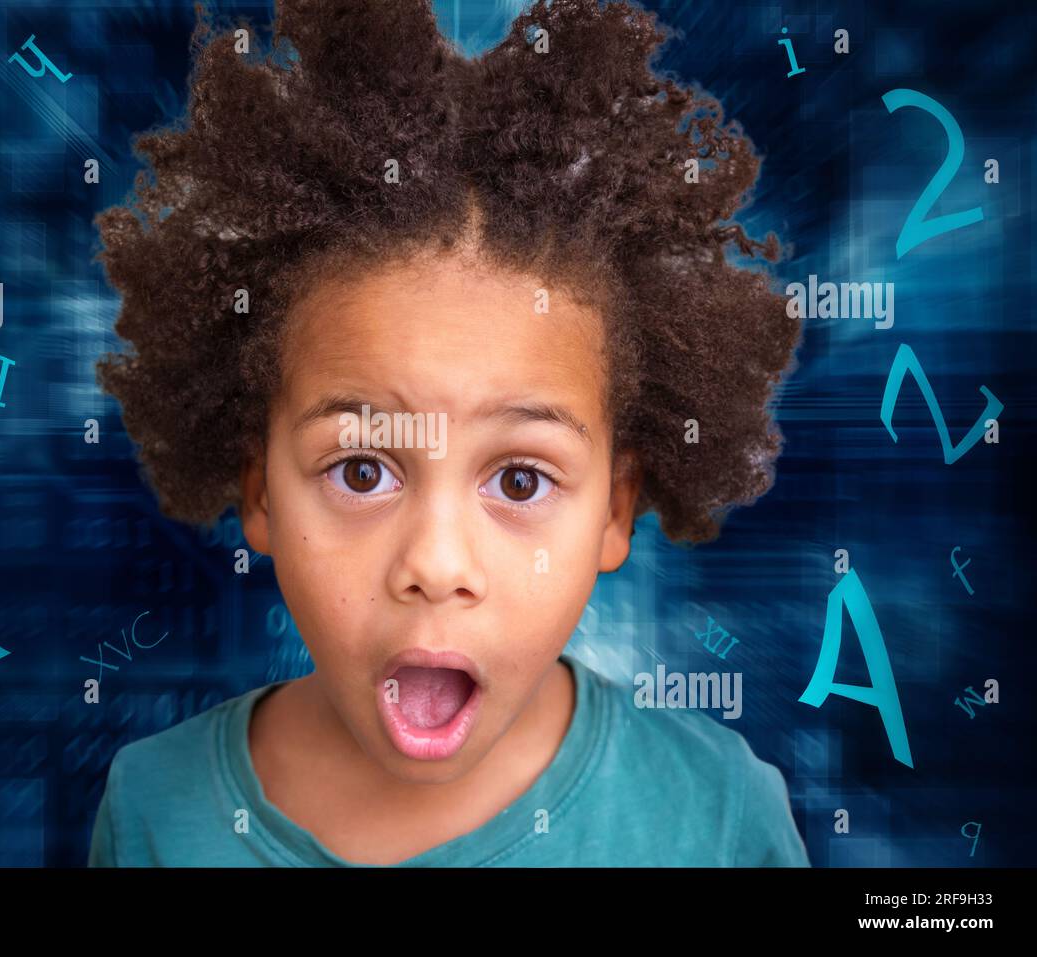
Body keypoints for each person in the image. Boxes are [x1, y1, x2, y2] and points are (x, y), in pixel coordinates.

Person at [88, 0, 807, 866]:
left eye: (519, 480)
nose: (436, 564)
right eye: (360, 472)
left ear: (614, 512)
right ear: (259, 491)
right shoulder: (155, 810)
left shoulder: (715, 812)